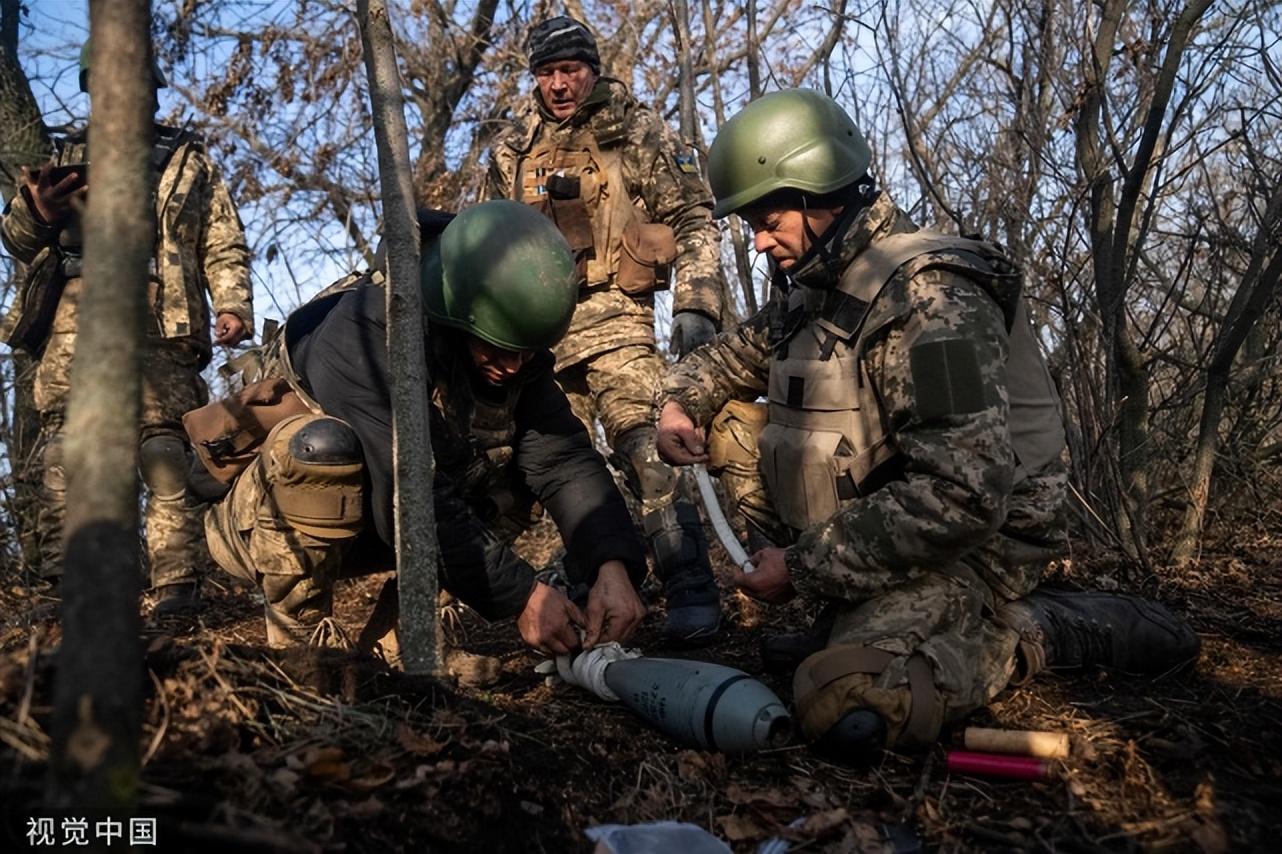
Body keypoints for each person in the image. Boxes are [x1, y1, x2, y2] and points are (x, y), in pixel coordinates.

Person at [655, 89, 1200, 763]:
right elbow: (723, 359)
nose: (759, 241)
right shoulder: (818, 289)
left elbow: (964, 497)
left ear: (818, 192)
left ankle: (1039, 628)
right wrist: (680, 403)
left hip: (982, 541)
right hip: (896, 526)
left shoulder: (933, 300)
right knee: (734, 422)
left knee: (851, 702)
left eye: (768, 220)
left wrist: (801, 568)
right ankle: (854, 616)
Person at [195, 201, 648, 654]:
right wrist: (521, 596)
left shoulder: (512, 357)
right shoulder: (363, 334)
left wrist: (611, 566)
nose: (513, 367)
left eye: (526, 351)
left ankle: (406, 640)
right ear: (455, 311)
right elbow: (407, 493)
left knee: (511, 470)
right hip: (259, 522)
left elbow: (564, 461)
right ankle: (304, 653)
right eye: (497, 347)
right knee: (324, 449)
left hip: (379, 522)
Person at [484, 15, 724, 643]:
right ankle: (591, 582)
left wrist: (698, 305)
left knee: (645, 445)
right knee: (548, 469)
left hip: (616, 318)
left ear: (592, 68)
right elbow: (483, 240)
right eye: (546, 73)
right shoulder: (512, 148)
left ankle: (690, 586)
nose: (559, 85)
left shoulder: (633, 128)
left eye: (570, 70)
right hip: (536, 337)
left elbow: (695, 213)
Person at [0, 43, 253, 615]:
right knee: (69, 453)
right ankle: (68, 589)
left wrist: (233, 305)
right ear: (94, 88)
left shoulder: (188, 158)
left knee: (164, 452)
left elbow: (223, 242)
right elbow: (15, 241)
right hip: (76, 325)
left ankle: (174, 590)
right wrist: (37, 211)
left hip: (164, 326)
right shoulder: (63, 155)